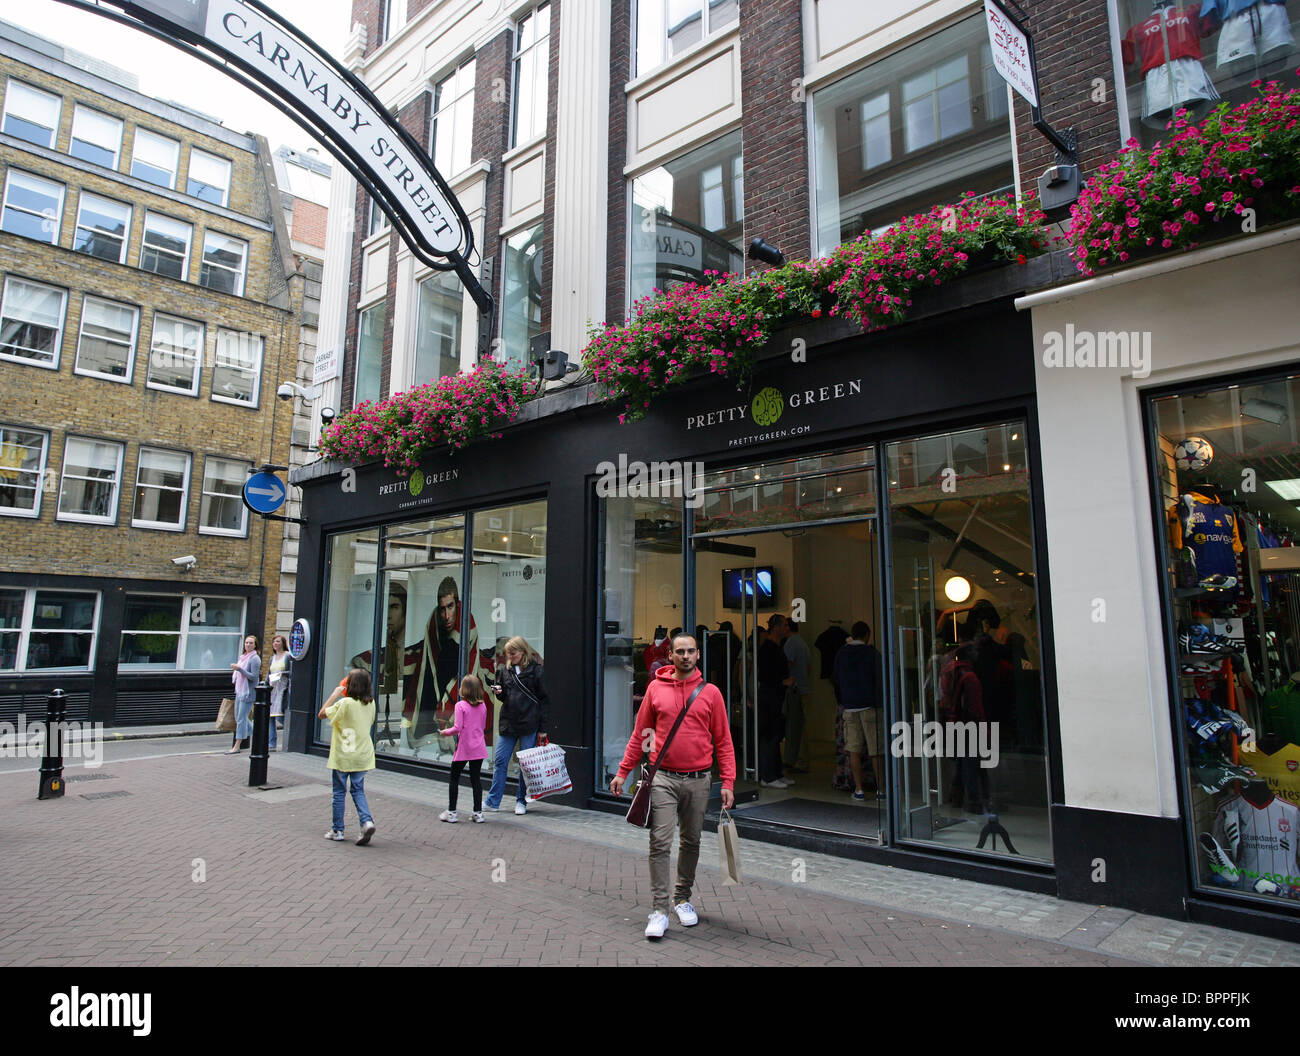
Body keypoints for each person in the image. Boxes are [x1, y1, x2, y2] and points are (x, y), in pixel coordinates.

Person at [610, 634, 736, 940]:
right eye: (679, 651)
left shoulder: (711, 693)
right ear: (671, 656)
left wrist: (729, 781)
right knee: (660, 842)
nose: (685, 656)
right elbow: (641, 734)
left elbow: (723, 740)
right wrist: (623, 771)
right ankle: (659, 910)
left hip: (699, 780)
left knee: (691, 841)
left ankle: (682, 898)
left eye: (691, 651)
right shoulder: (655, 688)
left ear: (698, 655)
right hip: (663, 777)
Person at [485, 635, 550, 815]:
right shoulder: (504, 670)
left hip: (529, 723)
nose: (510, 657)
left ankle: (521, 801)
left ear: (522, 652)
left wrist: (543, 729)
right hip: (509, 722)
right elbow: (504, 695)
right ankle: (493, 801)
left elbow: (544, 700)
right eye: (508, 654)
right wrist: (499, 692)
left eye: (513, 653)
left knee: (525, 765)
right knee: (500, 760)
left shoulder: (536, 671)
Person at [319, 668, 377, 845]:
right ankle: (366, 821)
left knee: (338, 792)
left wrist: (335, 694)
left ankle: (337, 830)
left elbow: (322, 714)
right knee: (358, 790)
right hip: (363, 754)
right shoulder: (371, 703)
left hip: (344, 755)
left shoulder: (345, 703)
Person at [834, 621, 884, 800]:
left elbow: (837, 680)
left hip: (850, 706)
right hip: (870, 705)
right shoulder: (871, 653)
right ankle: (881, 789)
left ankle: (859, 789)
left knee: (854, 749)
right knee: (875, 750)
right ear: (867, 634)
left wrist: (843, 700)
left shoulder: (842, 653)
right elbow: (880, 678)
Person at [439, 674, 489, 823]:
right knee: (476, 779)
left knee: (454, 778)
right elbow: (483, 726)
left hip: (464, 747)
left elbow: (457, 727)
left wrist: (444, 732)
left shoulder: (460, 706)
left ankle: (452, 812)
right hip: (479, 747)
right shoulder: (483, 706)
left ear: (464, 690)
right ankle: (478, 813)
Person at [757, 614, 793, 788]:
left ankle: (777, 772)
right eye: (785, 625)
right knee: (770, 735)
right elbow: (764, 675)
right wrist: (782, 682)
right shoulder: (768, 649)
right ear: (776, 627)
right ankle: (768, 776)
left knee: (776, 734)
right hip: (769, 697)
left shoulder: (778, 647)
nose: (787, 628)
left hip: (776, 696)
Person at [782, 619, 811, 773]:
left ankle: (796, 759)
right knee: (801, 725)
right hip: (803, 687)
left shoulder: (791, 643)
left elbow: (787, 664)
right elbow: (808, 667)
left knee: (794, 726)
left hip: (795, 689)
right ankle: (802, 758)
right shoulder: (803, 643)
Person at [226, 635, 260, 754]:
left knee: (241, 719)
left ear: (255, 645)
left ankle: (237, 746)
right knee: (240, 717)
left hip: (248, 693)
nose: (248, 645)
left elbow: (254, 677)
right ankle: (259, 735)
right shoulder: (243, 657)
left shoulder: (255, 659)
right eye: (246, 643)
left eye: (251, 643)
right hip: (239, 691)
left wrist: (239, 669)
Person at [268, 634, 290, 752]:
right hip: (272, 689)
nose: (275, 644)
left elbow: (291, 671)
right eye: (274, 642)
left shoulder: (287, 656)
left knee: (280, 716)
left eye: (278, 641)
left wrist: (283, 673)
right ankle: (272, 744)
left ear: (283, 643)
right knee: (270, 716)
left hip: (282, 688)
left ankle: (290, 732)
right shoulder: (272, 657)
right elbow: (268, 673)